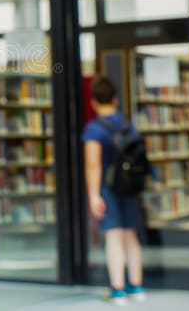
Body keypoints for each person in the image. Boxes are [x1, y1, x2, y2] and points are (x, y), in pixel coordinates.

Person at [82, 76, 146, 306]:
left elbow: (93, 164)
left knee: (113, 236)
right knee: (131, 235)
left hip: (109, 189)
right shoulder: (128, 124)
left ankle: (117, 289)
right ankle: (137, 286)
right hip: (130, 188)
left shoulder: (95, 129)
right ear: (116, 100)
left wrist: (93, 195)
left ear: (93, 102)